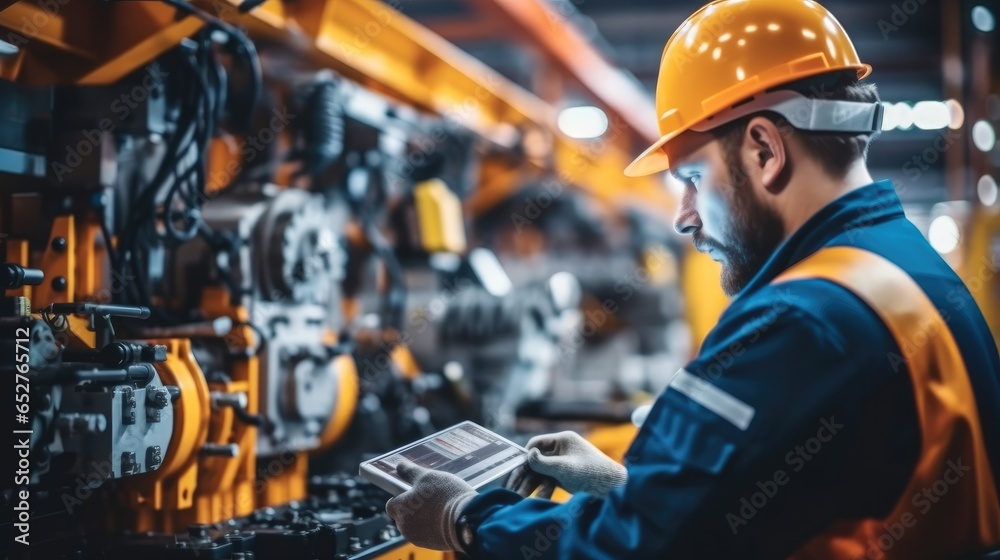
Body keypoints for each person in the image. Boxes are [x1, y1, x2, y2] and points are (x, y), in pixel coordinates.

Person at [383, 0, 1000, 557]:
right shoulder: (910, 269)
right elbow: (801, 496)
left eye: (693, 179)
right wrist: (626, 486)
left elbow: (629, 554)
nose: (683, 216)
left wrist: (468, 516)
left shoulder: (800, 318)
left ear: (764, 149)